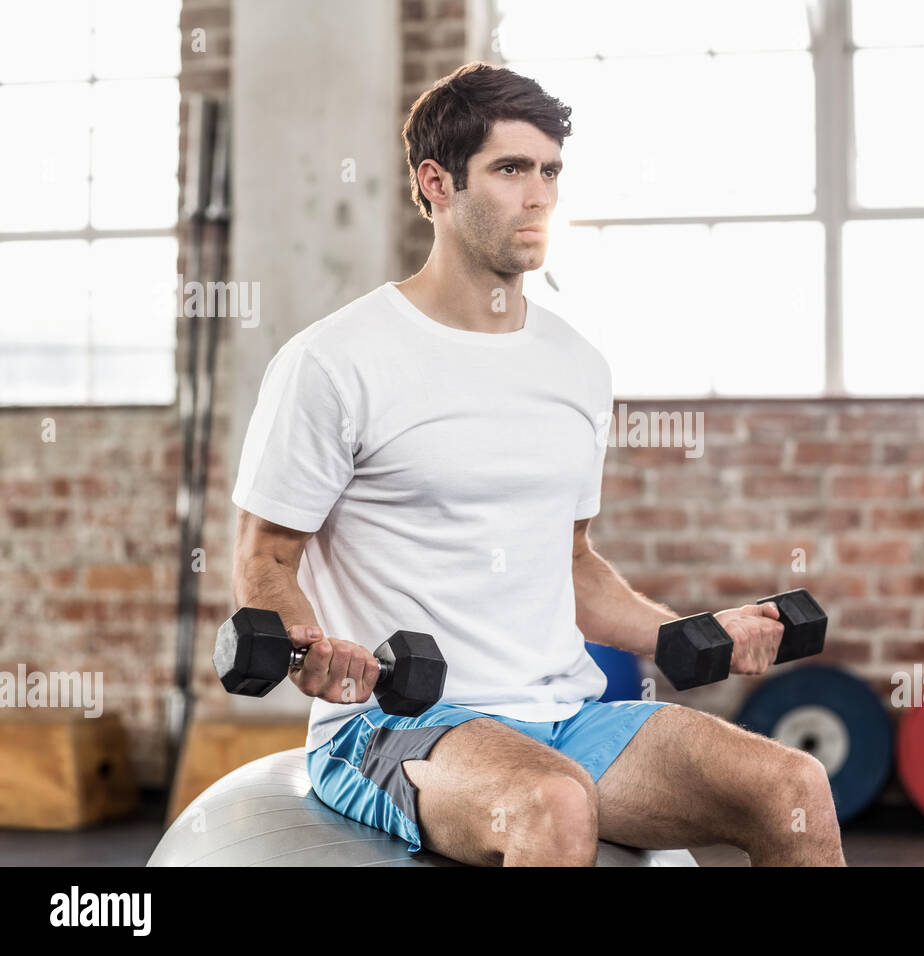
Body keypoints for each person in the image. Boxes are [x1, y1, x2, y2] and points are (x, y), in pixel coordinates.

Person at [230, 61, 844, 866]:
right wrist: (313, 649)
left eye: (550, 170)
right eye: (511, 169)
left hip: (567, 719)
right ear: (437, 184)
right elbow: (265, 554)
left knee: (792, 786)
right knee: (552, 803)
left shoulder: (575, 365)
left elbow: (573, 563)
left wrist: (694, 633)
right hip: (396, 725)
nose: (539, 194)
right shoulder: (335, 361)